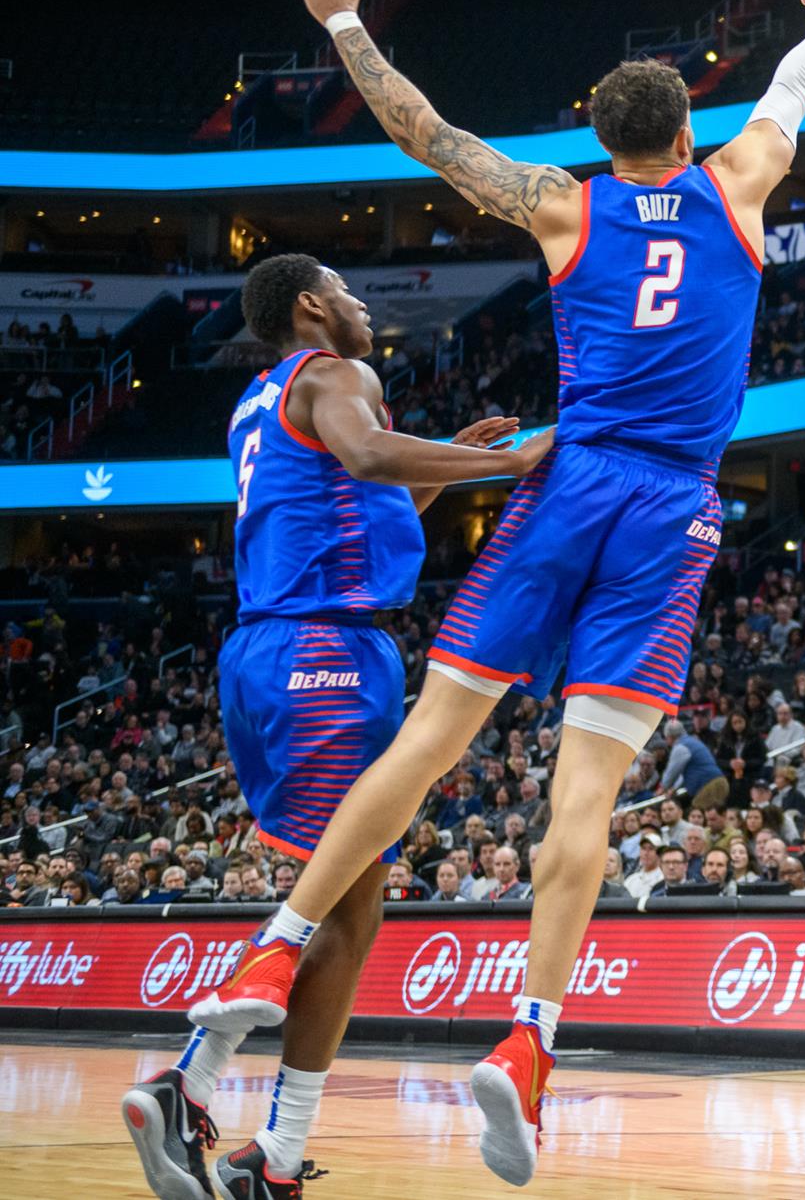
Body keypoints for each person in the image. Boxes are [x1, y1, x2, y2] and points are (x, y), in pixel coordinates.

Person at [192, 0, 805, 1190]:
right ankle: (529, 1039)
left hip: (567, 482)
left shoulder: (564, 204)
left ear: (603, 142)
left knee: (428, 741)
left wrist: (342, 20)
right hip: (672, 507)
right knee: (585, 797)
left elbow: (428, 135)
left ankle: (275, 948)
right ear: (685, 132)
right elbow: (792, 87)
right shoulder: (737, 182)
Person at [123, 251, 548, 1200]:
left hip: (263, 655)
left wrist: (444, 463)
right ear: (313, 305)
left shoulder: (259, 400)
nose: (363, 306)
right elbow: (368, 458)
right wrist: (504, 460)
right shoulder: (336, 373)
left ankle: (260, 1143)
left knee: (346, 903)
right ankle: (201, 1092)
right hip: (327, 655)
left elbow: (356, 507)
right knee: (351, 910)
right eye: (350, 291)